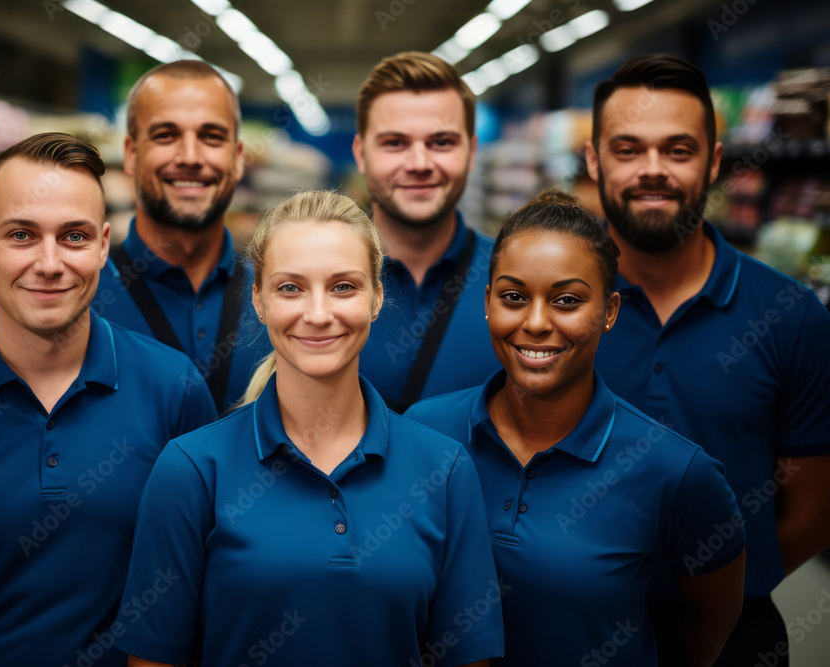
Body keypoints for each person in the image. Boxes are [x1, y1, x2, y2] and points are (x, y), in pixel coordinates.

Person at [0, 133, 216, 667]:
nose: (49, 264)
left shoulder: (176, 389)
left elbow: (198, 576)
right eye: (22, 234)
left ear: (102, 245)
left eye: (73, 236)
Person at [115, 190, 504, 667]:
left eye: (343, 287)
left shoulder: (443, 471)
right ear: (257, 300)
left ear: (378, 297)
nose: (318, 314)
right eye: (290, 288)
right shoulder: (192, 470)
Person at [405, 190, 745, 667]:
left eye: (567, 300)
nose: (537, 322)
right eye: (513, 297)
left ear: (609, 311)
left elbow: (711, 616)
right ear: (488, 303)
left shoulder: (674, 469)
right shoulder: (424, 431)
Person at [585, 54, 830, 665]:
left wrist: (715, 596)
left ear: (714, 163)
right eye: (627, 148)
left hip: (736, 643)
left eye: (678, 149)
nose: (652, 170)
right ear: (594, 161)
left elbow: (813, 511)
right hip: (570, 633)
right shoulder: (555, 312)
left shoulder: (791, 315)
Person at [0, 60, 270, 412]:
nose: (190, 156)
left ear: (239, 157)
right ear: (132, 155)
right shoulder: (60, 293)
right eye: (166, 135)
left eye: (212, 137)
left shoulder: (286, 302)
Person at [353, 51, 498, 411]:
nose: (419, 164)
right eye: (395, 143)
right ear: (360, 153)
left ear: (472, 151)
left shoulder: (515, 281)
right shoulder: (310, 285)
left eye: (441, 142)